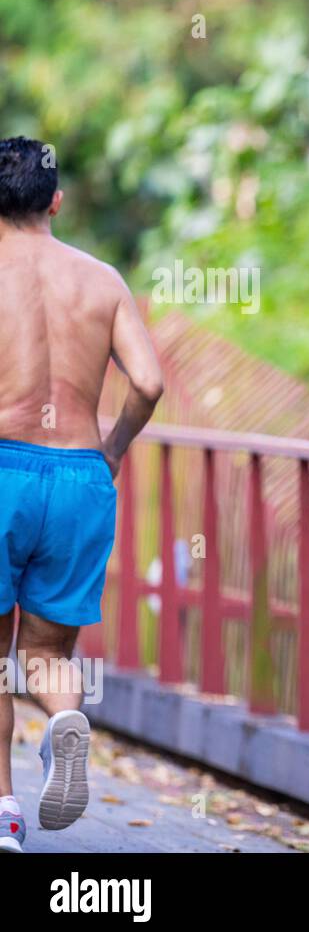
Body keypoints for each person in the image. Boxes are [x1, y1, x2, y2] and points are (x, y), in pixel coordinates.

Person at [0, 136, 164, 852]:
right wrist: (115, 448)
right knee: (47, 653)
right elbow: (150, 382)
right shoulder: (102, 280)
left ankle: (3, 812)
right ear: (56, 201)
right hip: (77, 476)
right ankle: (65, 722)